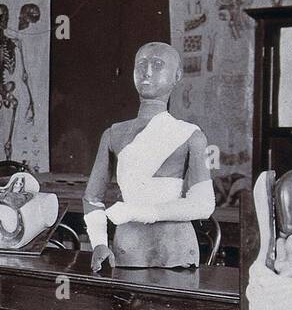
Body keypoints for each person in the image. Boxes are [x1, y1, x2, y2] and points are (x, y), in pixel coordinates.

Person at [83, 42, 215, 270]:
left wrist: (139, 212)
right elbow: (91, 199)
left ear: (177, 75)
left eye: (158, 64)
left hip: (177, 254)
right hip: (129, 252)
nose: (148, 72)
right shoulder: (113, 134)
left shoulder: (192, 135)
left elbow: (203, 205)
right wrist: (98, 243)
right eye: (141, 64)